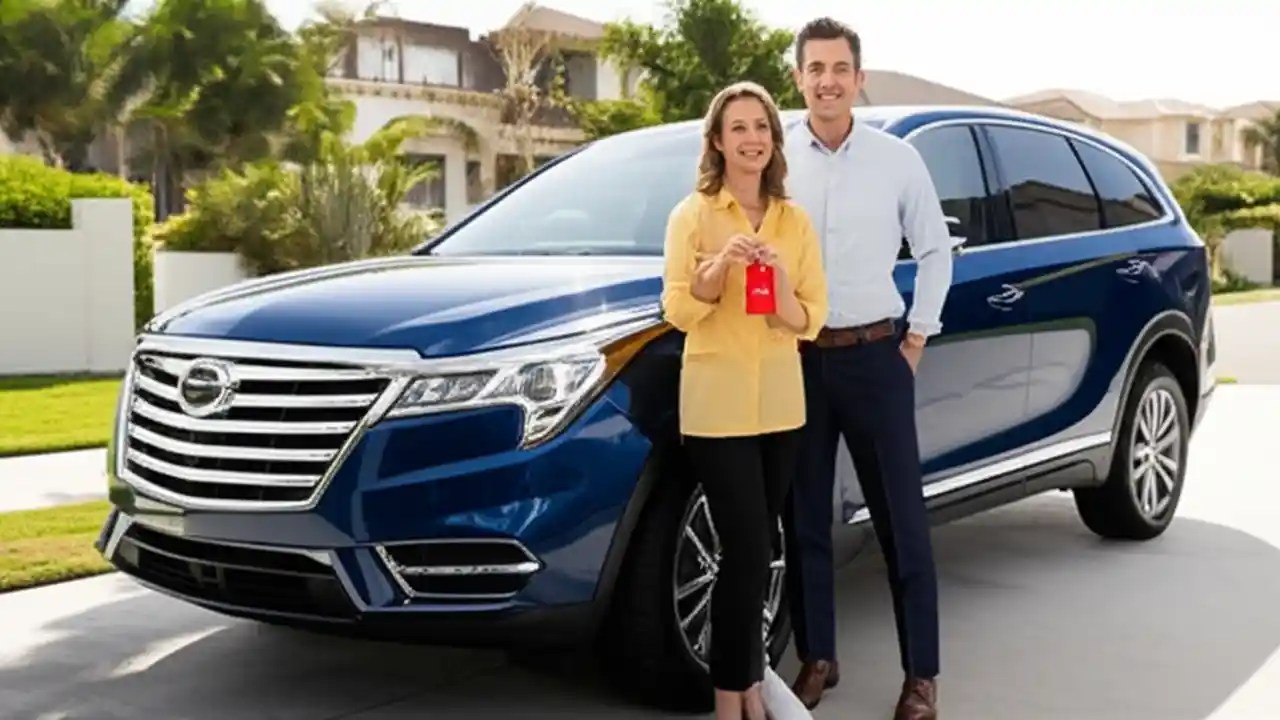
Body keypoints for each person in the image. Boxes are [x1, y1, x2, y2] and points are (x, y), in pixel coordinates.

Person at [780, 16, 955, 720]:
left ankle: (922, 676)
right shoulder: (777, 157)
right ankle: (818, 656)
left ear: (858, 78)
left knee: (901, 523)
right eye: (814, 68)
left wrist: (915, 341)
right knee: (806, 521)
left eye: (839, 68)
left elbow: (936, 251)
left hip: (876, 354)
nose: (827, 81)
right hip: (795, 361)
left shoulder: (895, 160)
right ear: (798, 78)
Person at [660, 80, 829, 720]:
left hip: (780, 407)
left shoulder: (794, 220)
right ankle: (731, 701)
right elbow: (677, 307)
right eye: (738, 128)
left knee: (759, 552)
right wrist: (718, 268)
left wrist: (779, 282)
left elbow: (809, 319)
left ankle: (748, 690)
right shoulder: (692, 215)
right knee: (749, 552)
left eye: (761, 126)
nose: (752, 138)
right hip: (718, 407)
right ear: (718, 141)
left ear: (773, 140)